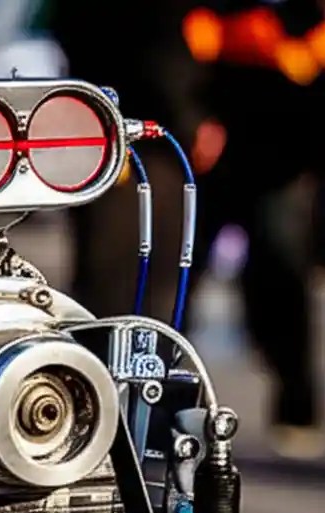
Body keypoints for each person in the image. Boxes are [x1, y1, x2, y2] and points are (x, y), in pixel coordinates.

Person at [180, 0, 325, 459]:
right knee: (182, 278)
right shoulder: (211, 19)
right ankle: (166, 398)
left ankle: (298, 406)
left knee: (283, 287)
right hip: (213, 165)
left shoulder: (317, 26)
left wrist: (316, 167)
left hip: (283, 172)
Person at [47, 0, 208, 324]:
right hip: (140, 141)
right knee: (130, 287)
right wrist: (190, 120)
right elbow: (159, 50)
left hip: (101, 128)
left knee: (119, 282)